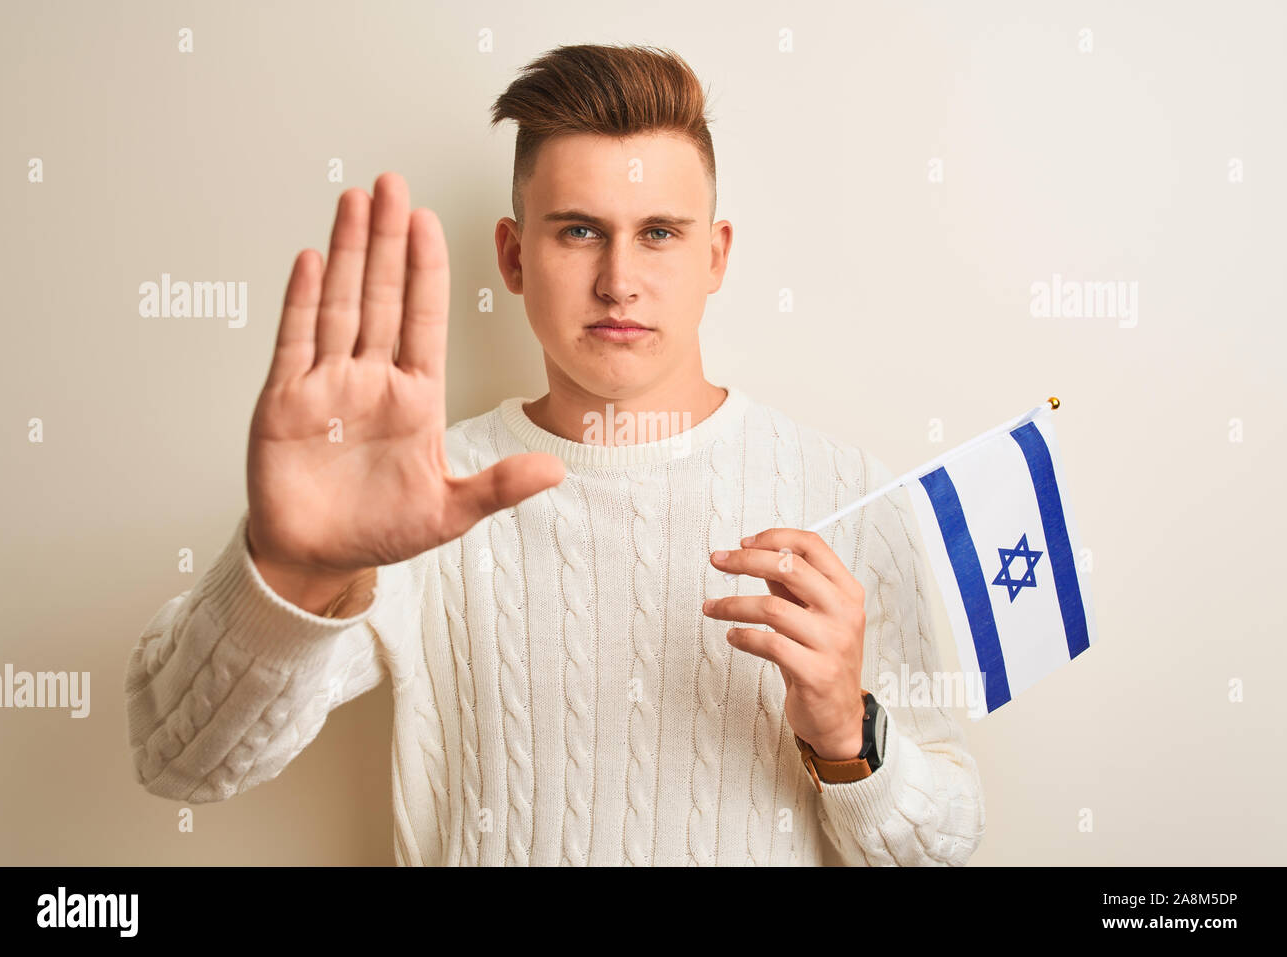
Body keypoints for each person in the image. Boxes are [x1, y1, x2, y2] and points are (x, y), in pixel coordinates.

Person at [123, 42, 985, 866]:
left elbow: (943, 849)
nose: (618, 280)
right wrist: (292, 573)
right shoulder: (420, 494)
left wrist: (846, 732)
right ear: (513, 254)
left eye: (659, 233)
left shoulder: (849, 493)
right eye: (578, 232)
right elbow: (181, 763)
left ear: (714, 255)